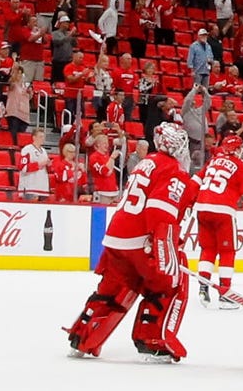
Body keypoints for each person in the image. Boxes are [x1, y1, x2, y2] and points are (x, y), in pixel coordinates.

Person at [66, 121, 194, 363]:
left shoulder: (147, 162)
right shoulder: (173, 169)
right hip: (139, 239)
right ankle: (153, 341)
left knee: (115, 288)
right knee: (170, 283)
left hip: (116, 236)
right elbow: (160, 212)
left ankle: (83, 336)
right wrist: (164, 251)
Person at [191, 132, 243, 306]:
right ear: (236, 149)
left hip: (202, 207)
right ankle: (225, 294)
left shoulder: (213, 161)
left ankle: (203, 288)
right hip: (223, 211)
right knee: (227, 251)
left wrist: (187, 203)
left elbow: (194, 181)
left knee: (208, 249)